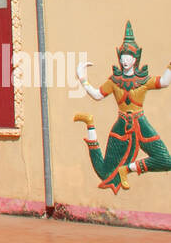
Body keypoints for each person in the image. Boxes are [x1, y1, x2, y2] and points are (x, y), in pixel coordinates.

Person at [73, 21, 171, 192]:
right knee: (105, 173)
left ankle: (127, 169)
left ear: (136, 58)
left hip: (141, 125)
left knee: (165, 160)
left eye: (129, 57)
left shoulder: (143, 81)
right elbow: (97, 95)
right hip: (121, 126)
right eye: (123, 56)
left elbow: (163, 82)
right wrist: (83, 79)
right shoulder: (114, 81)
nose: (125, 60)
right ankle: (90, 123)